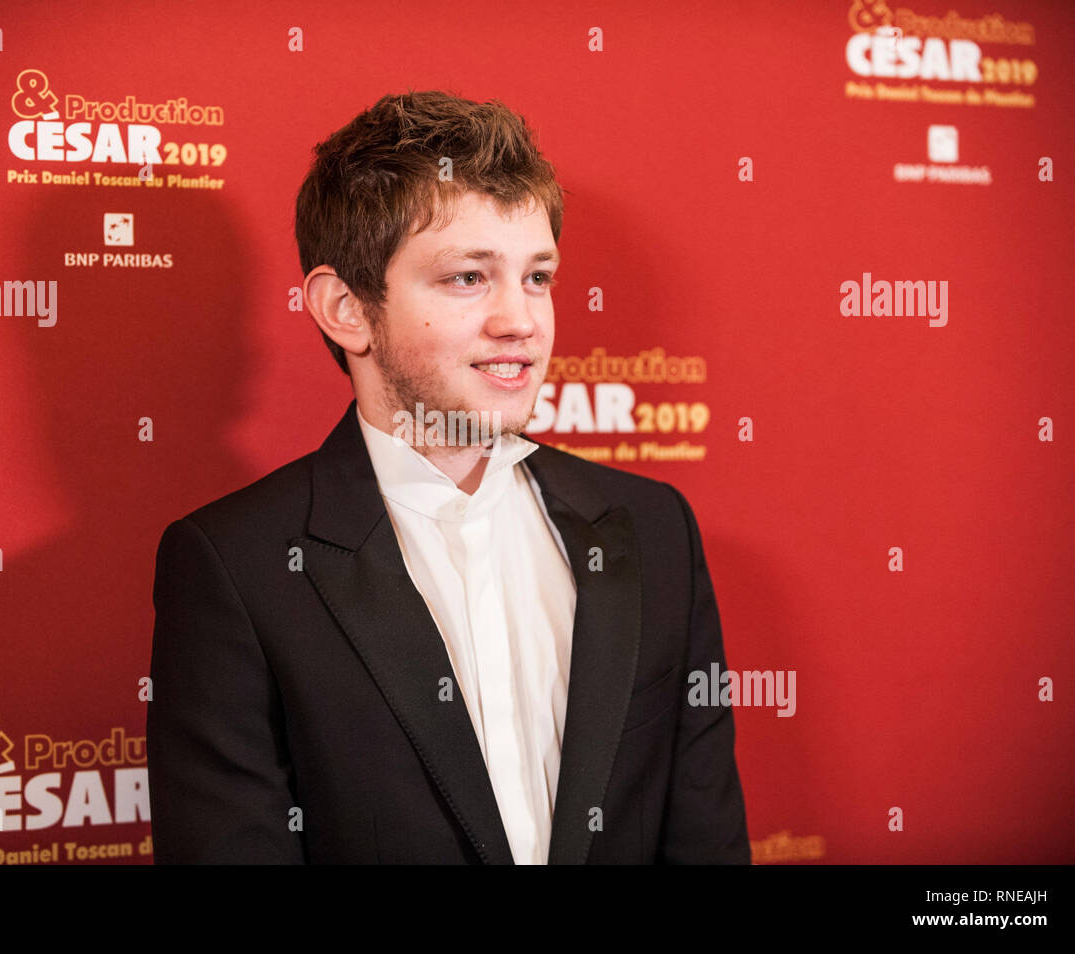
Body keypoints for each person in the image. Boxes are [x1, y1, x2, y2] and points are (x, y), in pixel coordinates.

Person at [146, 90, 750, 864]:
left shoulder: (652, 527)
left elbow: (705, 842)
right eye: (470, 277)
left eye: (537, 277)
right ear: (346, 310)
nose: (521, 321)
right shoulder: (238, 566)